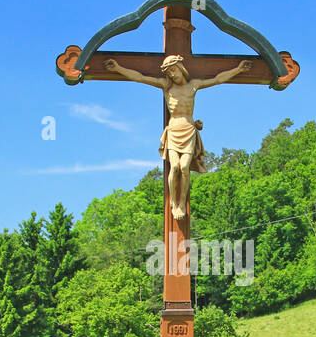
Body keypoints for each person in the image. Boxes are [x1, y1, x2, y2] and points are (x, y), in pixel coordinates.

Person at [102, 54, 251, 219]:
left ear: (181, 67)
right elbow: (140, 77)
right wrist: (118, 68)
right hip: (173, 130)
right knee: (174, 167)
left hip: (188, 130)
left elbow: (217, 79)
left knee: (185, 167)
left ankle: (181, 202)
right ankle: (173, 202)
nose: (172, 74)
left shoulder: (193, 85)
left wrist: (238, 69)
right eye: (169, 72)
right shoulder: (167, 86)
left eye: (173, 70)